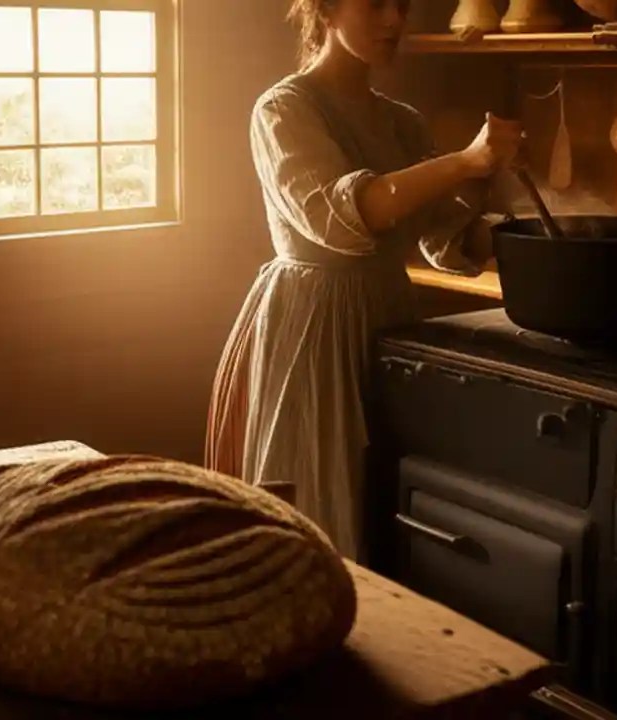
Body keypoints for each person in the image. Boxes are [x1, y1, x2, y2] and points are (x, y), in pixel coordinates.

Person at [205, 0, 523, 561]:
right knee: (322, 504)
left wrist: (540, 241)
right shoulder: (283, 109)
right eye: (375, 4)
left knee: (384, 501)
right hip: (313, 326)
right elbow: (341, 217)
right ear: (325, 10)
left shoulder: (400, 120)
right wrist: (463, 161)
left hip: (389, 319)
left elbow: (443, 238)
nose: (394, 22)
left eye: (401, 6)